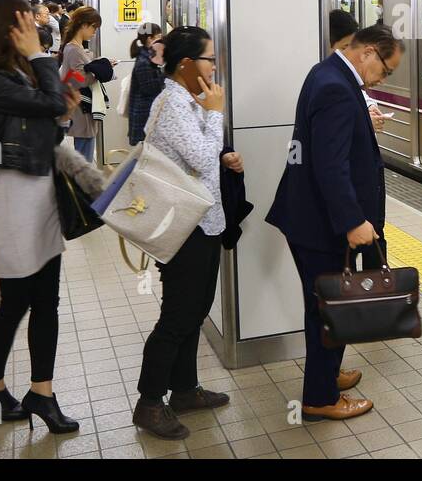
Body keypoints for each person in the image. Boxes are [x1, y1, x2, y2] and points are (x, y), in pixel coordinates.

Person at [266, 22, 404, 422]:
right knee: (328, 308)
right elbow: (330, 165)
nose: (382, 79)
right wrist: (353, 220)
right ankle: (320, 397)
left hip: (310, 216)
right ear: (367, 53)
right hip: (320, 223)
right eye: (386, 69)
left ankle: (328, 373)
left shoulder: (326, 72)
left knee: (330, 303)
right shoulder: (337, 89)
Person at [0, 0, 82, 433]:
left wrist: (59, 107)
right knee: (15, 301)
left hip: (41, 192)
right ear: (7, 29)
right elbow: (49, 106)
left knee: (44, 300)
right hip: (13, 198)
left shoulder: (15, 72)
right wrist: (40, 58)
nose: (35, 27)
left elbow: (51, 119)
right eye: (26, 23)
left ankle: (40, 391)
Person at [132, 26, 250, 439]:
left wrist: (226, 157)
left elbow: (203, 154)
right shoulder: (173, 103)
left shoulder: (189, 102)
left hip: (205, 221)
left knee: (197, 309)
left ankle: (184, 389)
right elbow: (199, 157)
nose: (215, 67)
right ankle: (149, 403)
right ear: (186, 64)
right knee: (178, 316)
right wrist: (216, 113)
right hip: (185, 228)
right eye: (209, 59)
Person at [59, 6, 114, 161]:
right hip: (81, 109)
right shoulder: (74, 50)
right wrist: (100, 70)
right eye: (93, 27)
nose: (94, 32)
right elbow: (79, 79)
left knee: (85, 152)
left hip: (81, 108)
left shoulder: (74, 48)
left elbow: (76, 74)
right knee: (84, 157)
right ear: (83, 25)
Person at [329, 9, 386, 134]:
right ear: (327, 44)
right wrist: (365, 122)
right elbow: (331, 128)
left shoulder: (340, 72)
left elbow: (357, 94)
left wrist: (370, 106)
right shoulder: (326, 81)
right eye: (345, 47)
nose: (350, 53)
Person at [127, 23, 165, 146]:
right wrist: (165, 74)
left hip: (145, 114)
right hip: (144, 115)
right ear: (150, 39)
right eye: (158, 37)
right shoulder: (144, 62)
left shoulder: (148, 58)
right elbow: (151, 89)